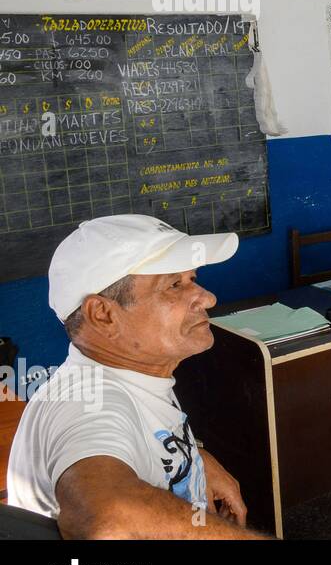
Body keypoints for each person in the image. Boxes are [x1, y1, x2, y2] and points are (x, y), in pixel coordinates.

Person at [6, 215, 267, 538]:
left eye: (192, 279)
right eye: (175, 285)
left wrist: (194, 458)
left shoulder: (135, 373)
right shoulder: (88, 403)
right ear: (103, 315)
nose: (207, 298)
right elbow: (105, 517)